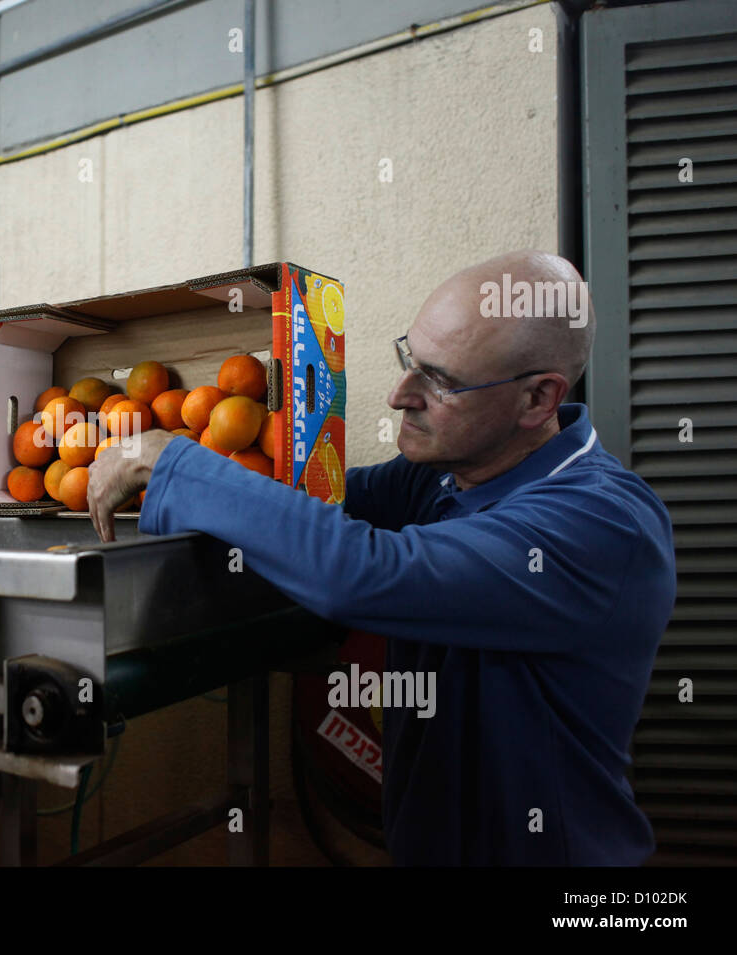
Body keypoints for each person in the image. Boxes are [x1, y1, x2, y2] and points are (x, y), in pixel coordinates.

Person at [87, 251, 676, 865]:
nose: (399, 395)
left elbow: (365, 571)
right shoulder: (451, 473)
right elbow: (318, 501)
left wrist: (169, 460)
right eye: (408, 359)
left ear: (537, 399)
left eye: (440, 381)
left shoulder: (601, 525)